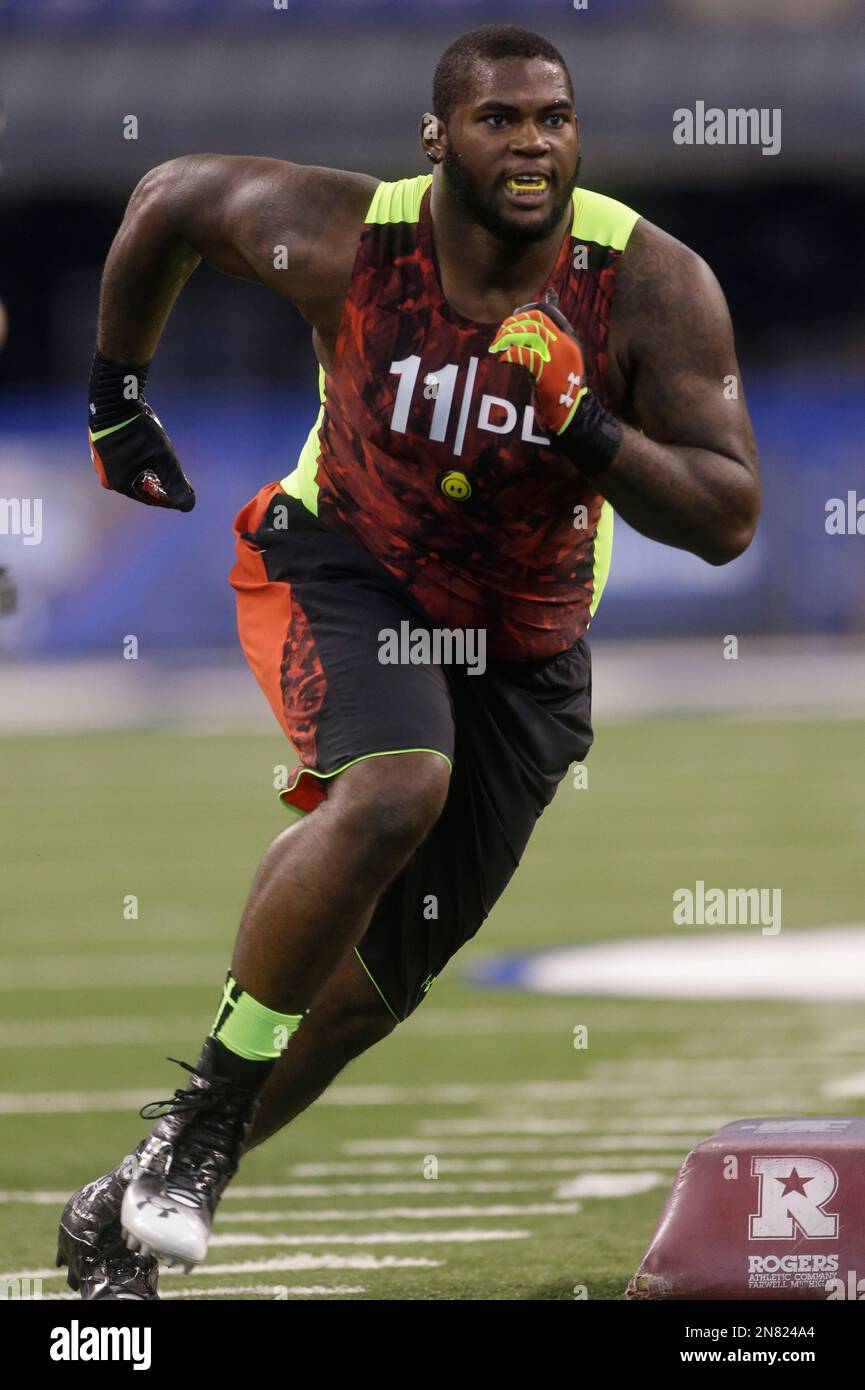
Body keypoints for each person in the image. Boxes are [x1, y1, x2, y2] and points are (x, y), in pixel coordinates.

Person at [57, 23, 760, 1300]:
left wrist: (585, 424)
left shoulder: (647, 283)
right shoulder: (345, 235)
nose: (532, 142)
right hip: (341, 563)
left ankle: (133, 1188)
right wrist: (117, 398)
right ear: (438, 138)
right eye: (500, 118)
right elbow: (167, 199)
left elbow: (725, 518)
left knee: (372, 988)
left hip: (525, 653)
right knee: (394, 783)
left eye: (553, 116)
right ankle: (207, 1117)